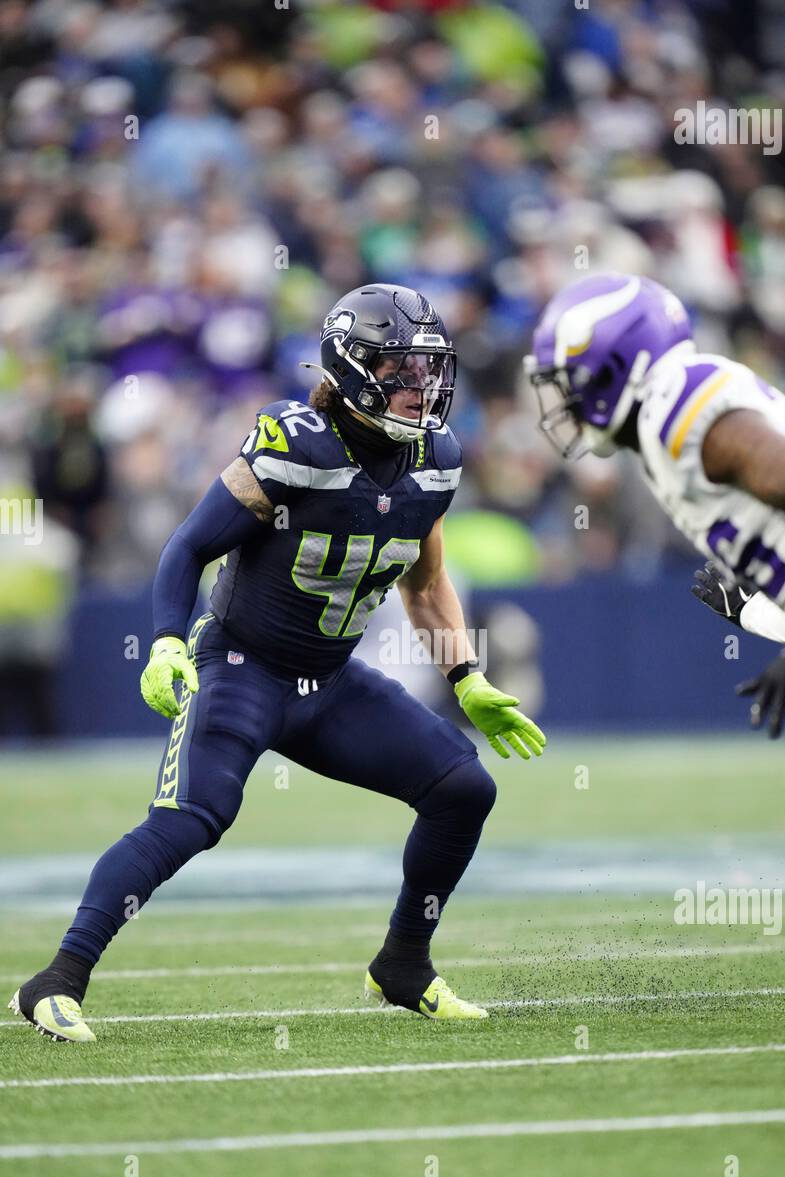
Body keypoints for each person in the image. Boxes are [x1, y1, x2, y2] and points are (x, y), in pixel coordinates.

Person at [10, 283, 545, 1042]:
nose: (418, 387)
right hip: (241, 664)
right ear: (352, 367)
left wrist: (467, 676)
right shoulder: (297, 444)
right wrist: (167, 639)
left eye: (426, 370)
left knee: (463, 788)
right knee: (191, 819)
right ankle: (56, 980)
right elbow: (189, 547)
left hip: (328, 681)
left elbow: (427, 584)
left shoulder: (437, 459)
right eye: (399, 369)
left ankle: (403, 965)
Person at [525, 272, 785, 912]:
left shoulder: (676, 407)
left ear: (617, 364)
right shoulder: (664, 420)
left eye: (571, 379)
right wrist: (781, 620)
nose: (562, 400)